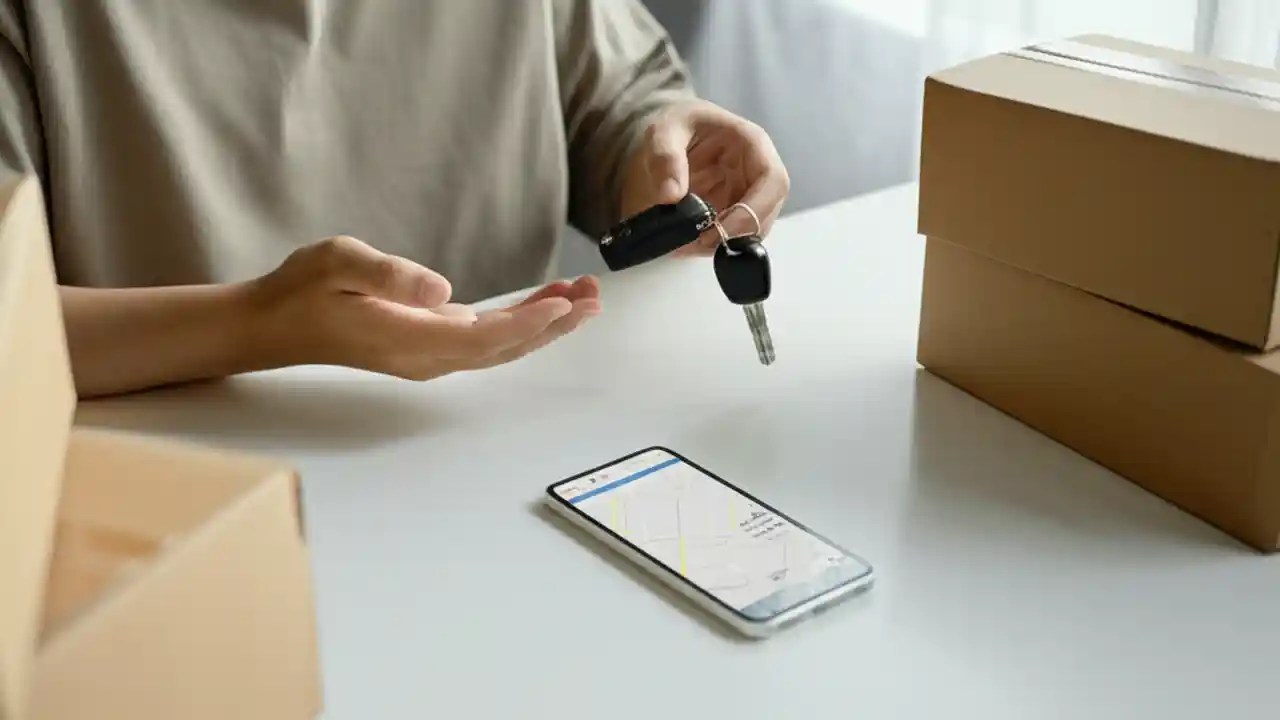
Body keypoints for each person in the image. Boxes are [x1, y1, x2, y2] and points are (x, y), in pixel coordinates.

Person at [0, 1, 789, 398]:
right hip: (177, 512)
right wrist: (253, 326)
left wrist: (666, 161)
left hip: (513, 444)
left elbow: (614, 100)